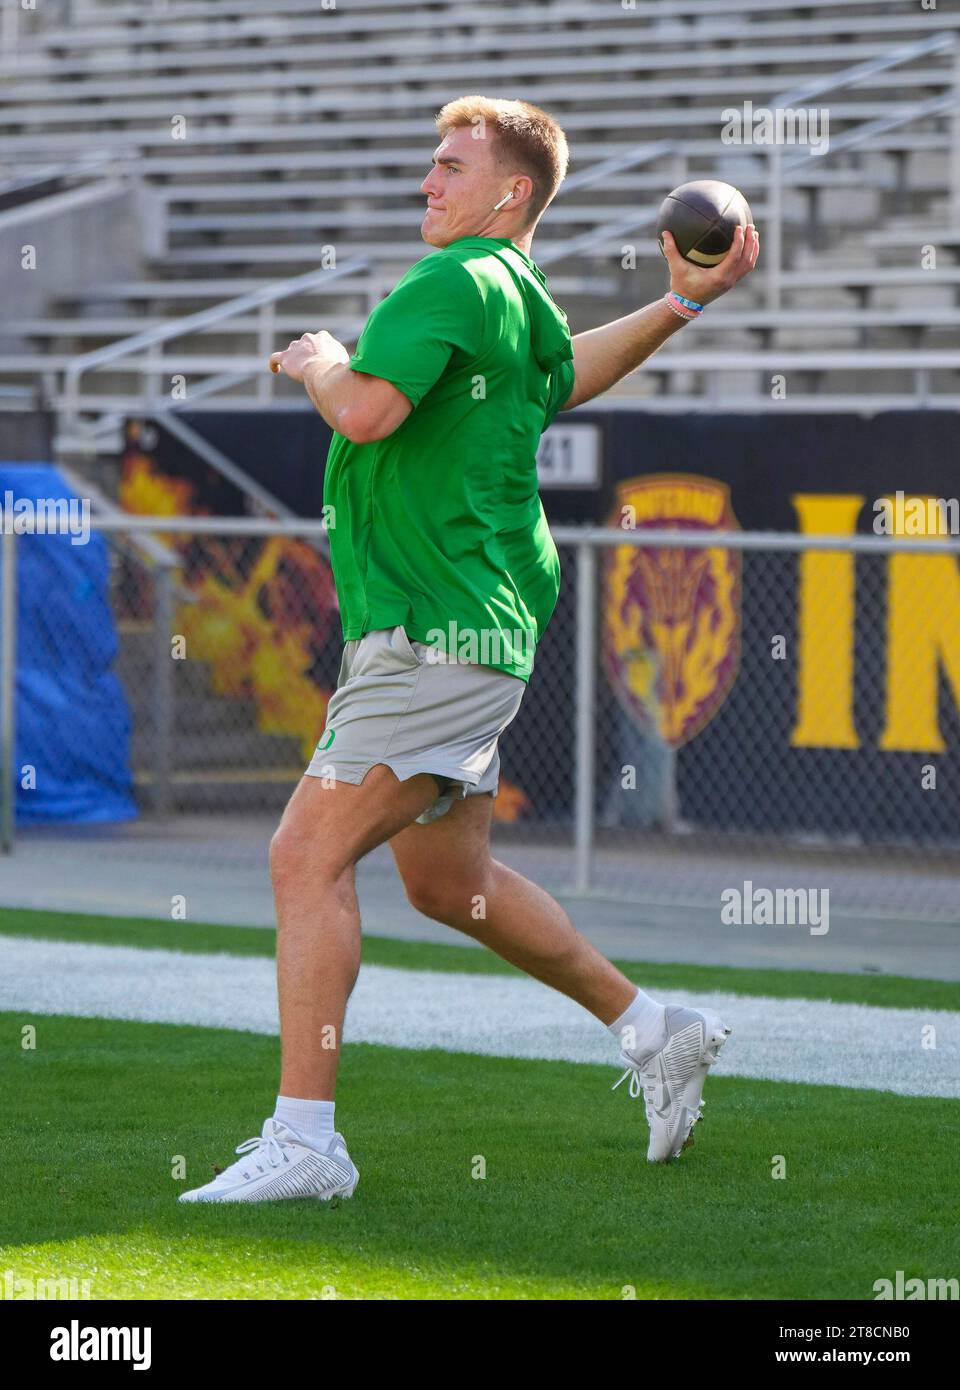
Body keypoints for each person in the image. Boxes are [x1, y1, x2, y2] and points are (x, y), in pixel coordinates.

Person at [179, 95, 759, 1204]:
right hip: (476, 626)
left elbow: (366, 413)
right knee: (454, 886)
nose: (427, 184)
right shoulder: (517, 293)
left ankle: (307, 1139)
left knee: (304, 857)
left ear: (512, 194)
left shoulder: (453, 281)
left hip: (434, 628)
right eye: (430, 166)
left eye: (450, 166)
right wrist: (680, 303)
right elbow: (567, 376)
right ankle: (654, 1027)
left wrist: (317, 359)